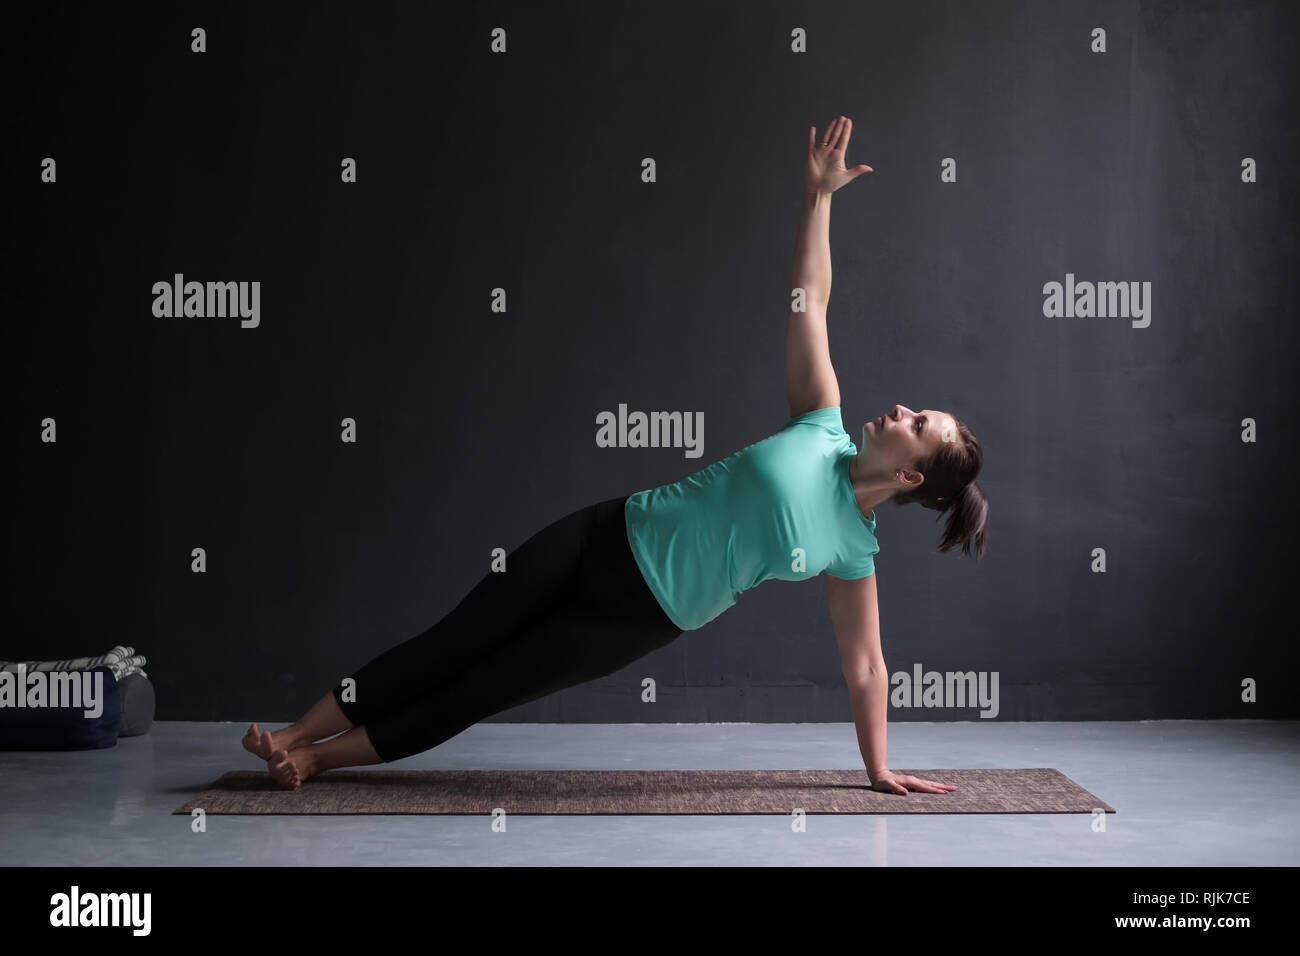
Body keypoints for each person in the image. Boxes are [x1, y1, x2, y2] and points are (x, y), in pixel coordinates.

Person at [242, 116, 988, 796]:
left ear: (911, 474)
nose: (900, 409)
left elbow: (866, 668)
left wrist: (878, 768)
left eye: (917, 422)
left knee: (478, 689)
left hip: (636, 620)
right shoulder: (820, 423)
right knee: (455, 640)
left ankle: (312, 762)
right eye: (915, 408)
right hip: (604, 534)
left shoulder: (852, 549)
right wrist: (820, 198)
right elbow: (809, 298)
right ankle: (292, 733)